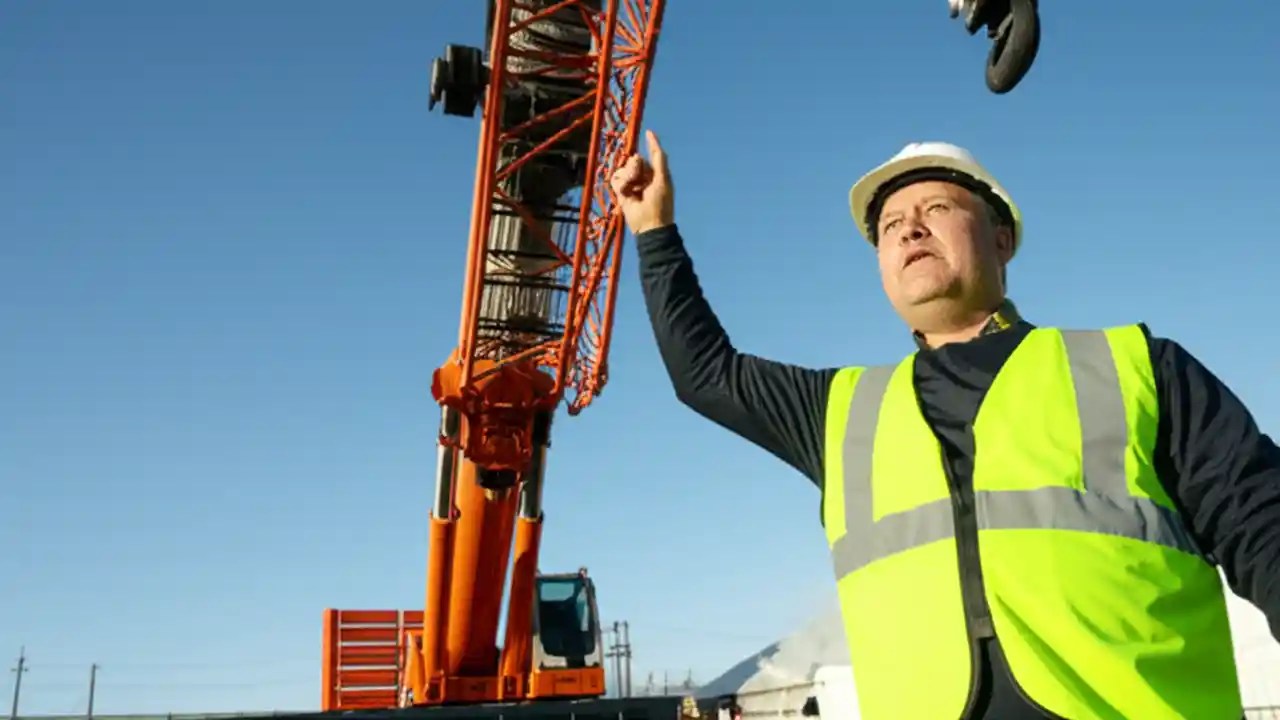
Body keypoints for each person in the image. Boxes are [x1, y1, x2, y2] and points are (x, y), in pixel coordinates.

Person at [610, 130, 1280, 720]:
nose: (908, 229)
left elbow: (1263, 524)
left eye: (935, 210)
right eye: (891, 224)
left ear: (1001, 237)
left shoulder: (1134, 367)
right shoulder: (841, 411)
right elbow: (705, 374)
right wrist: (653, 232)